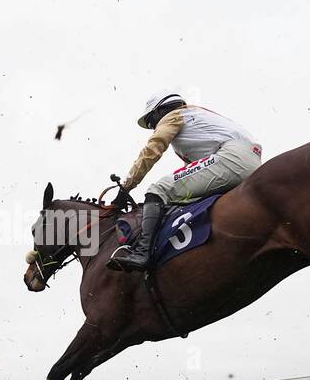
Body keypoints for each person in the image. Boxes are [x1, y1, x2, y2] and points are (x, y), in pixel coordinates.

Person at [108, 91, 263, 272]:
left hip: (232, 159)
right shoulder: (197, 117)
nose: (153, 127)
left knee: (159, 189)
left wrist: (125, 188)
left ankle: (143, 253)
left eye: (151, 122)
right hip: (252, 162)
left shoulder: (173, 116)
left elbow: (151, 152)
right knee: (180, 196)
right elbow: (191, 171)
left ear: (160, 111)